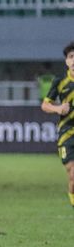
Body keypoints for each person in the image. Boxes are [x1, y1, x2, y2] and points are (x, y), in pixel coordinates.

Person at [41, 41, 74, 209]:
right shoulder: (60, 81)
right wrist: (59, 108)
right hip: (67, 134)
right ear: (66, 61)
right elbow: (45, 105)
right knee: (73, 174)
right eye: (71, 57)